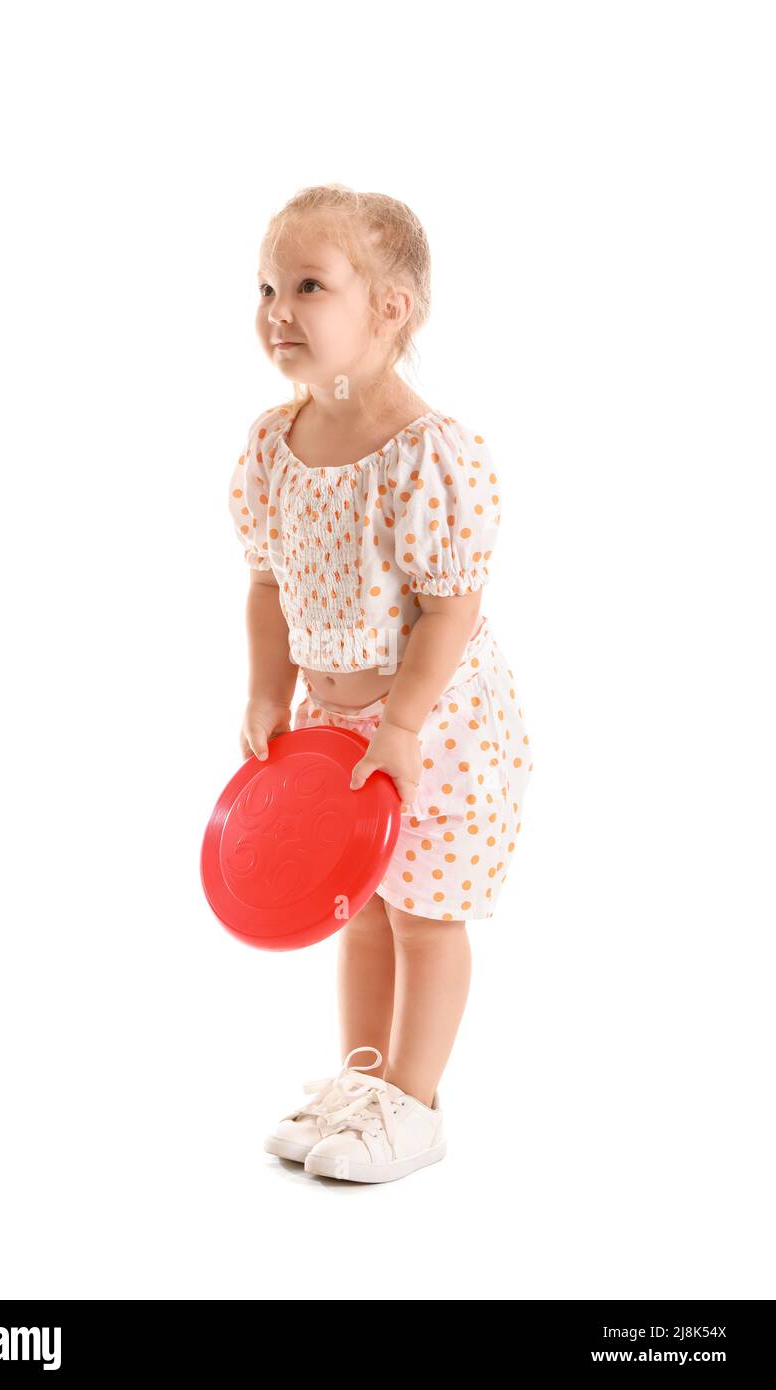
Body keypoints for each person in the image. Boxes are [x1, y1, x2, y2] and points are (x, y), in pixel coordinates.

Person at [227, 183, 534, 1183]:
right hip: (328, 726)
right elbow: (268, 588)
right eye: (267, 285)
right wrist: (269, 695)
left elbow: (449, 608)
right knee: (354, 904)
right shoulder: (275, 448)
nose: (278, 309)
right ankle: (365, 1083)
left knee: (420, 914)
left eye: (308, 285)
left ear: (388, 310)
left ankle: (416, 1099)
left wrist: (399, 722)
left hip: (430, 722)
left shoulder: (424, 457)